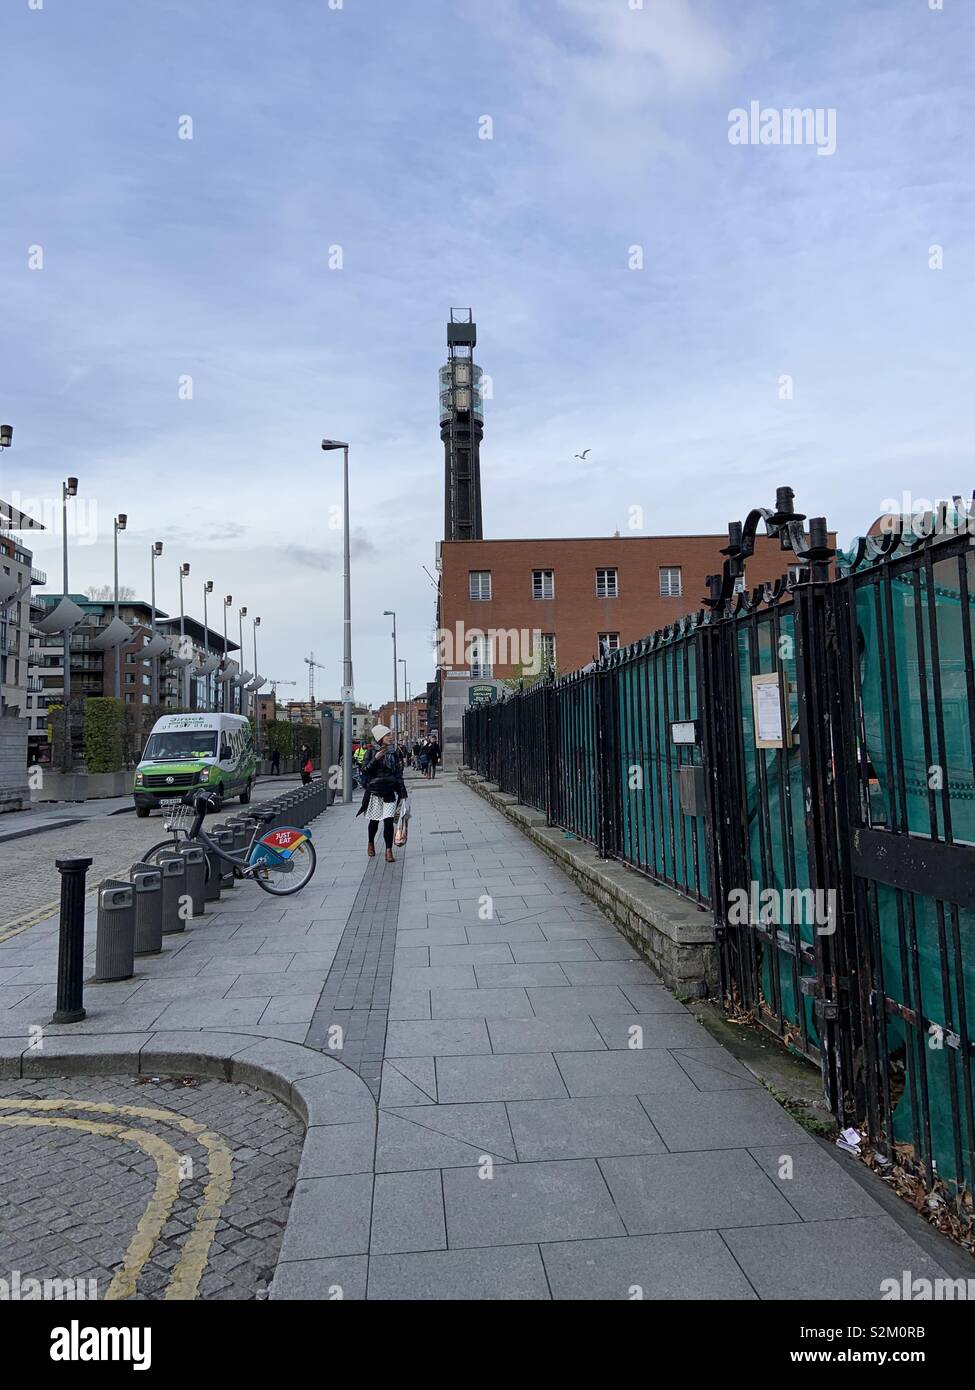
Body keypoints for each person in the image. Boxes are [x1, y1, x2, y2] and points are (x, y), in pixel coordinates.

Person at [357, 724, 407, 862]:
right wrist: (376, 759)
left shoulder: (394, 753)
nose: (391, 737)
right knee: (374, 822)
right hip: (375, 792)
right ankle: (371, 843)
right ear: (380, 738)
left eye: (390, 735)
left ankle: (388, 851)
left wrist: (402, 792)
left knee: (388, 822)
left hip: (389, 791)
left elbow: (398, 773)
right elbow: (365, 771)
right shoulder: (371, 752)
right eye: (387, 735)